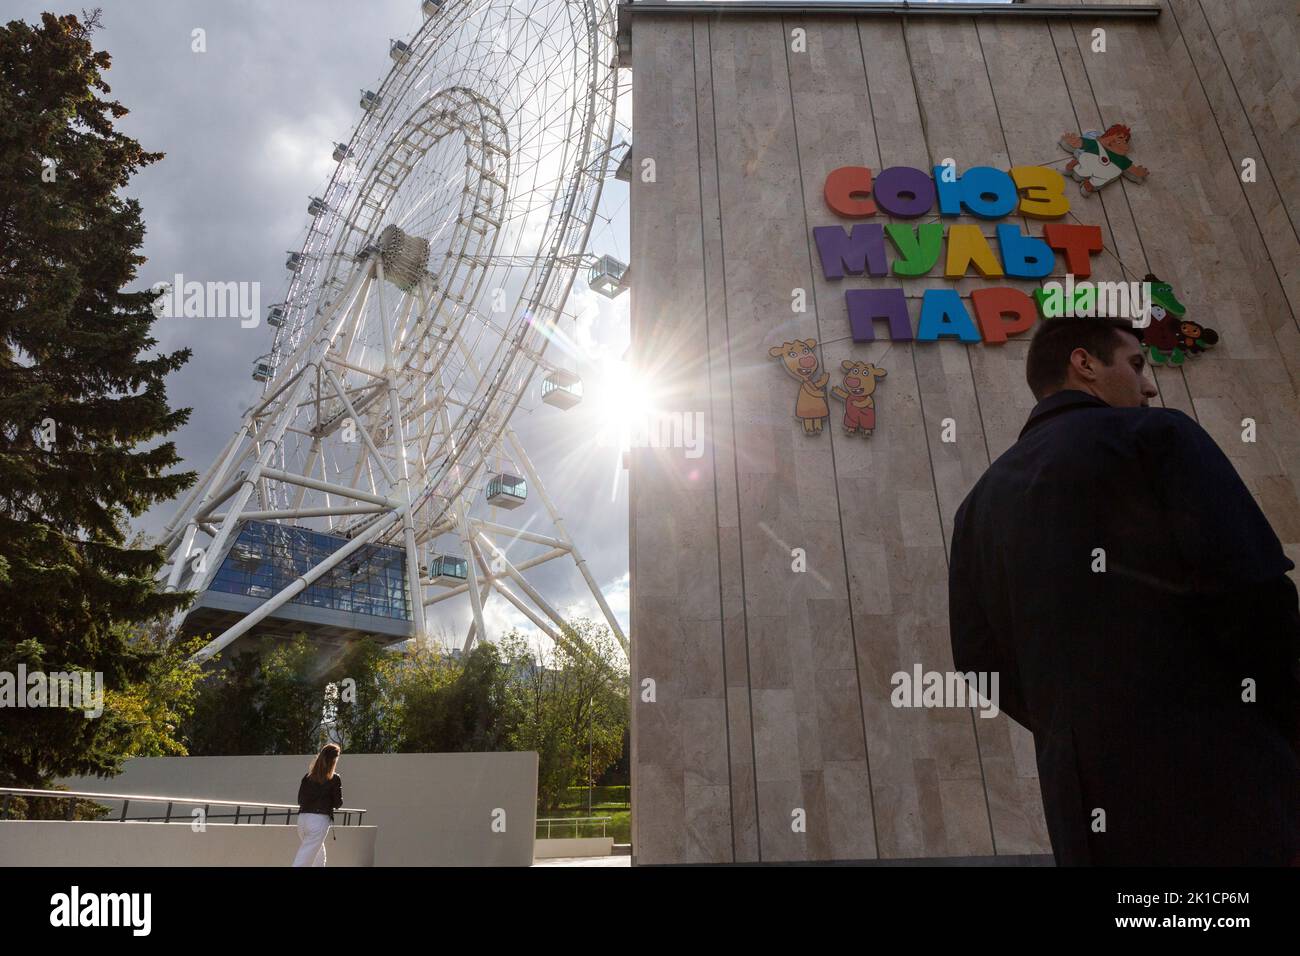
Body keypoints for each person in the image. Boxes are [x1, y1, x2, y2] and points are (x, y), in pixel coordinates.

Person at [949, 317, 1299, 865]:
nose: (1149, 386)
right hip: (1226, 784)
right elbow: (1255, 594)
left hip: (1084, 812)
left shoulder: (976, 508)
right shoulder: (1157, 436)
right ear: (1084, 364)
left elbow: (978, 659)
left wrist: (1077, 730)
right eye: (1136, 365)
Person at [293, 743, 343, 867]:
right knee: (302, 861)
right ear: (334, 760)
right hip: (318, 821)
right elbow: (338, 803)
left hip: (302, 820)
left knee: (319, 857)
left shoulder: (308, 777)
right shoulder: (334, 778)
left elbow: (300, 799)